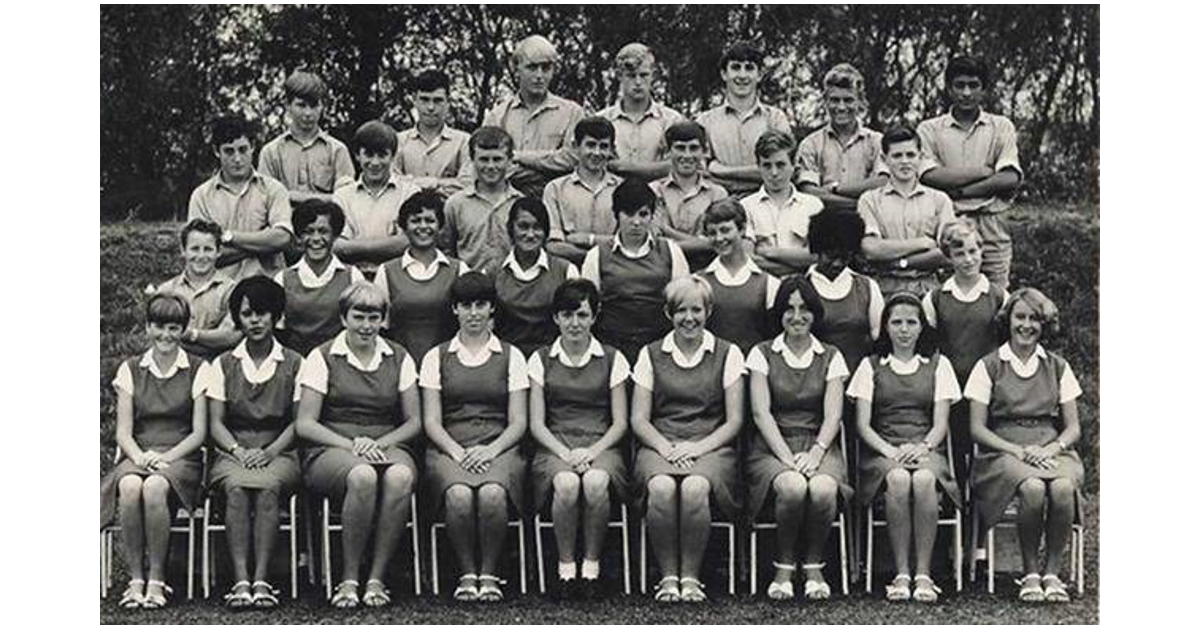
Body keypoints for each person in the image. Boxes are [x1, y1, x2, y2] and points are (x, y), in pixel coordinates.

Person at [295, 282, 423, 608]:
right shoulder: (322, 356)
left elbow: (413, 422)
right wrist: (353, 445)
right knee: (363, 476)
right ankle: (349, 577)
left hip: (385, 441)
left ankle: (377, 578)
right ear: (343, 317)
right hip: (332, 446)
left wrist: (377, 443)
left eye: (374, 317)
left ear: (383, 319)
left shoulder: (399, 357)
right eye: (359, 316)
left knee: (401, 477)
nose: (367, 326)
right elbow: (306, 423)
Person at [964, 288, 1084, 603]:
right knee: (1031, 487)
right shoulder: (989, 365)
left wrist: (1051, 449)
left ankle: (1052, 573)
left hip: (1050, 446)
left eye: (1035, 319)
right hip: (1003, 449)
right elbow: (976, 428)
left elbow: (1073, 427)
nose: (1026, 325)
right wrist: (1017, 451)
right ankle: (1030, 572)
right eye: (1020, 317)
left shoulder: (1057, 366)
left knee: (1061, 487)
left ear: (1044, 324)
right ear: (1008, 320)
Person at [630, 275, 746, 602]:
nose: (689, 318)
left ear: (708, 311)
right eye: (681, 310)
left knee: (695, 487)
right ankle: (668, 576)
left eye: (696, 309)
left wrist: (697, 448)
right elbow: (639, 418)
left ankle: (691, 577)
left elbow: (734, 420)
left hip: (711, 444)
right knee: (661, 486)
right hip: (661, 443)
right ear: (669, 314)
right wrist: (666, 448)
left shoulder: (728, 353)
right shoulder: (650, 354)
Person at [420, 272, 530, 602]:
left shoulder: (512, 356)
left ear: (492, 309)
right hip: (449, 447)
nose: (473, 313)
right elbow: (431, 420)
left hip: (499, 446)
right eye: (465, 305)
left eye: (481, 305)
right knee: (458, 495)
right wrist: (457, 452)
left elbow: (519, 421)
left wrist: (491, 450)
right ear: (454, 309)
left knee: (493, 493)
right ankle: (468, 572)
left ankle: (490, 571)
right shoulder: (435, 356)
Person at [846, 292, 962, 603]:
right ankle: (901, 573)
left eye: (912, 322)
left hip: (926, 449)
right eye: (896, 322)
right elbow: (862, 425)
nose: (904, 329)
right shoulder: (870, 366)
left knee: (923, 479)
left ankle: (923, 573)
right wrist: (890, 451)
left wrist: (923, 448)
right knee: (898, 479)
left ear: (922, 326)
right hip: (883, 450)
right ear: (885, 326)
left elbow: (940, 424)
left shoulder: (939, 364)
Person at [744, 275, 852, 600]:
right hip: (773, 446)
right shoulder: (762, 353)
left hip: (818, 444)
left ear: (815, 313)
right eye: (789, 309)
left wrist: (817, 454)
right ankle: (784, 565)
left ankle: (815, 564)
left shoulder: (831, 355)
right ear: (779, 313)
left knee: (821, 488)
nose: (796, 316)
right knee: (791, 486)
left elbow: (833, 415)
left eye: (804, 309)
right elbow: (761, 413)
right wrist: (787, 459)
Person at [100, 292, 209, 609]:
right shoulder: (131, 369)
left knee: (157, 486)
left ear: (183, 330)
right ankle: (136, 578)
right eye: (159, 326)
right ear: (148, 327)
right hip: (139, 452)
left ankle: (158, 579)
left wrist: (166, 458)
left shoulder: (198, 368)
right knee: (132, 484)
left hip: (181, 455)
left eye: (174, 328)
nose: (166, 335)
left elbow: (199, 433)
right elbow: (123, 431)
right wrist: (140, 457)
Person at [527, 279, 631, 599]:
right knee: (568, 484)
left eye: (582, 315)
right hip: (555, 445)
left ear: (594, 316)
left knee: (596, 482)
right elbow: (536, 423)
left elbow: (620, 422)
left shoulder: (613, 358)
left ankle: (592, 568)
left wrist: (592, 451)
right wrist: (565, 453)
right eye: (567, 315)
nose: (575, 323)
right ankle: (565, 569)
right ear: (556, 318)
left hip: (601, 444)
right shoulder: (540, 359)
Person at [205, 277, 304, 609]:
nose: (256, 321)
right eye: (247, 314)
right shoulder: (222, 364)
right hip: (233, 449)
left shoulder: (294, 362)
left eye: (263, 313)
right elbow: (215, 422)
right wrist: (237, 451)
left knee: (267, 488)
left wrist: (270, 452)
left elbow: (298, 422)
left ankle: (262, 580)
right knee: (234, 488)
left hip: (280, 450)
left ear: (276, 316)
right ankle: (240, 580)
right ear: (238, 317)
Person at [917, 56, 1023, 291]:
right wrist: (982, 172)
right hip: (948, 220)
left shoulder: (1001, 126)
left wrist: (961, 190)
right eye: (960, 85)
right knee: (948, 293)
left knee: (995, 294)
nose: (966, 92)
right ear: (948, 88)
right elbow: (928, 176)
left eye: (973, 85)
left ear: (984, 89)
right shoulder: (929, 129)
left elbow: (1009, 177)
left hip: (991, 222)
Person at [921, 221, 1007, 481]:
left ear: (982, 251)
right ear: (948, 257)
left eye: (973, 251)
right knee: (956, 446)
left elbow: (1006, 347)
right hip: (952, 388)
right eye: (959, 254)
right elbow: (929, 347)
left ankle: (984, 498)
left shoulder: (999, 296)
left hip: (989, 389)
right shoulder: (936, 298)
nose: (968, 259)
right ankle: (956, 498)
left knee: (986, 446)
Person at [581, 178, 689, 361]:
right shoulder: (596, 256)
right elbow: (587, 308)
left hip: (660, 349)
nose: (636, 222)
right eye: (629, 214)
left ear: (652, 216)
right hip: (612, 349)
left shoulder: (671, 251)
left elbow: (682, 303)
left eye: (643, 214)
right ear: (616, 215)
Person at [188, 115, 294, 281]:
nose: (237, 159)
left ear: (252, 147)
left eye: (243, 149)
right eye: (229, 151)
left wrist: (228, 237)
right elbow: (201, 254)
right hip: (219, 287)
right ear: (217, 151)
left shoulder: (274, 189)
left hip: (268, 285)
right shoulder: (201, 196)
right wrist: (263, 242)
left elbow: (282, 238)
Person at [373, 191, 471, 363]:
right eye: (416, 220)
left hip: (448, 365)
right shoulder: (386, 271)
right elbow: (380, 328)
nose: (423, 226)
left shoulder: (459, 269)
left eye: (430, 220)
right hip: (400, 367)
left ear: (440, 226)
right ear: (404, 227)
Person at [859, 125, 956, 298]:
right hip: (884, 289)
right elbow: (871, 249)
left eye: (910, 155)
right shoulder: (870, 200)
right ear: (884, 159)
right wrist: (923, 243)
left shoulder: (939, 199)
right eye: (897, 155)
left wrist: (900, 262)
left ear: (921, 156)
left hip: (929, 289)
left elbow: (948, 253)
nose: (905, 161)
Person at [483, 35, 585, 197]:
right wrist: (548, 169)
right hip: (507, 202)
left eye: (546, 68)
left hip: (557, 202)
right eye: (532, 67)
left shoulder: (572, 112)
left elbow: (572, 159)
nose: (539, 75)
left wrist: (518, 157)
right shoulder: (498, 115)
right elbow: (488, 165)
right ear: (517, 69)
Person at [695, 41, 792, 196]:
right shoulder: (705, 121)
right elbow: (701, 175)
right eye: (735, 67)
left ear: (759, 75)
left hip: (767, 203)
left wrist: (721, 170)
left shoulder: (775, 119)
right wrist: (756, 174)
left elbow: (780, 170)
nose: (742, 75)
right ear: (724, 74)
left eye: (749, 68)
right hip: (721, 207)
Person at [274, 199, 366, 356]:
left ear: (335, 235)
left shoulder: (353, 276)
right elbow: (278, 332)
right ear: (299, 237)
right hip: (297, 362)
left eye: (323, 231)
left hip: (339, 360)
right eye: (308, 232)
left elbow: (359, 327)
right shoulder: (282, 278)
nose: (316, 238)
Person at [332, 120, 420, 279]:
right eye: (369, 154)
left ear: (393, 156)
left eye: (382, 155)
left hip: (399, 278)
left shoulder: (410, 192)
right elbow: (337, 245)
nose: (375, 163)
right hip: (352, 278)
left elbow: (409, 242)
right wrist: (388, 244)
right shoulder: (342, 195)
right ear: (357, 155)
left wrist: (356, 247)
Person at [493, 197, 580, 355]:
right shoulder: (493, 273)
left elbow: (575, 324)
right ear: (510, 229)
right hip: (506, 359)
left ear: (546, 232)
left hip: (552, 359)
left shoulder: (566, 271)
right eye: (523, 227)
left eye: (537, 227)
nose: (530, 234)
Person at [796, 63, 888, 210]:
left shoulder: (877, 141)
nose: (841, 107)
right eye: (834, 100)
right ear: (825, 101)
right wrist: (857, 204)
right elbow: (808, 192)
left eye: (848, 100)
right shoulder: (810, 144)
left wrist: (834, 188)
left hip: (869, 220)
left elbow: (882, 182)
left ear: (860, 102)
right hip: (823, 219)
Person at [257, 70, 356, 203]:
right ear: (288, 106)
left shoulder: (337, 150)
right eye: (301, 105)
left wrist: (289, 195)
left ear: (322, 106)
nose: (308, 113)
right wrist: (328, 198)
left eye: (314, 105)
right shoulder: (271, 152)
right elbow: (265, 198)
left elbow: (346, 199)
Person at [150, 219, 241, 360]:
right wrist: (210, 340)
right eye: (194, 249)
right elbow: (157, 336)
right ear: (183, 250)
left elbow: (230, 338)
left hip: (214, 369)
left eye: (208, 249)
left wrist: (190, 335)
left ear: (218, 252)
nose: (201, 256)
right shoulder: (166, 290)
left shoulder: (232, 290)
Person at [697, 198, 779, 353]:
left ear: (742, 229)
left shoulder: (769, 284)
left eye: (725, 230)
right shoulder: (699, 281)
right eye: (712, 233)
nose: (719, 238)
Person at [442, 126, 525, 274]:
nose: (490, 166)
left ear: (510, 160)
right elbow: (447, 250)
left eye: (497, 159)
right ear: (472, 160)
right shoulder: (455, 204)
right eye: (484, 159)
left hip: (511, 288)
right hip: (468, 289)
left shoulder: (520, 204)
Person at [741, 130, 824, 276]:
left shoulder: (813, 206)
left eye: (780, 165)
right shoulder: (745, 206)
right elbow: (747, 259)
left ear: (793, 165)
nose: (774, 173)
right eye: (767, 165)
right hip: (762, 287)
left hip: (805, 287)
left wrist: (769, 252)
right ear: (758, 166)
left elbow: (819, 256)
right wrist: (799, 265)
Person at [597, 42, 685, 181]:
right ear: (619, 76)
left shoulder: (672, 120)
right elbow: (594, 164)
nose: (638, 82)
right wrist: (657, 168)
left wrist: (622, 167)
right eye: (631, 76)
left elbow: (679, 165)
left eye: (644, 75)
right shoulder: (601, 120)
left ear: (653, 75)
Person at [649, 121, 730, 268]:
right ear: (668, 152)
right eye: (680, 148)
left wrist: (668, 230)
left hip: (706, 270)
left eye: (693, 148)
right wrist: (699, 242)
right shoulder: (654, 190)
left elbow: (714, 243)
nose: (687, 155)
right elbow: (654, 243)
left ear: (704, 151)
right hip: (662, 269)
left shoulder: (717, 194)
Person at [543, 117, 623, 265]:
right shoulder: (555, 189)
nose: (597, 153)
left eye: (604, 146)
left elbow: (628, 243)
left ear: (612, 149)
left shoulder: (623, 189)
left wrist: (587, 239)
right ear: (576, 146)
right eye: (590, 145)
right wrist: (595, 257)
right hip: (569, 273)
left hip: (613, 273)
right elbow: (553, 246)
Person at [392, 69, 473, 198]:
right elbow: (392, 183)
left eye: (438, 100)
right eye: (424, 100)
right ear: (414, 100)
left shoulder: (464, 141)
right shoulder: (398, 141)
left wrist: (422, 183)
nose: (430, 107)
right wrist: (443, 183)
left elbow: (467, 184)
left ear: (448, 102)